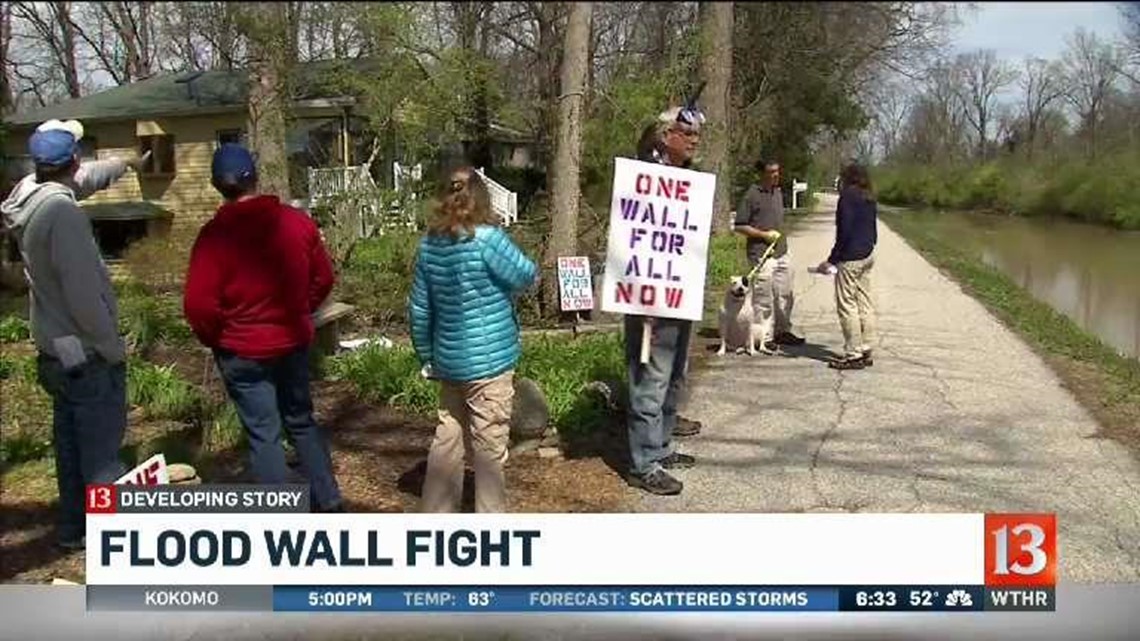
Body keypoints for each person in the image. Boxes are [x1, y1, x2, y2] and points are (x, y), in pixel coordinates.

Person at [0, 119, 144, 549]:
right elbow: (83, 295)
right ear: (74, 160)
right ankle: (112, 542)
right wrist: (111, 346)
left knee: (69, 446)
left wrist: (125, 163)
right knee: (101, 455)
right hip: (86, 351)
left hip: (55, 351)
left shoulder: (29, 195)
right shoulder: (63, 216)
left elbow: (87, 178)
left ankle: (74, 528)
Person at [183, 143, 343, 512]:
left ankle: (283, 517)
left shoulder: (214, 236)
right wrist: (301, 311)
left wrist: (216, 337)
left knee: (264, 435)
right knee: (301, 421)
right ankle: (329, 502)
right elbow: (323, 277)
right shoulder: (296, 222)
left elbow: (199, 305)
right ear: (255, 177)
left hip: (241, 350)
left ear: (216, 185)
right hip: (291, 342)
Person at [409, 166, 537, 513]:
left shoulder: (429, 245)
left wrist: (427, 357)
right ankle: (489, 520)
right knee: (488, 447)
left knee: (447, 439)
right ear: (481, 197)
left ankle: (436, 514)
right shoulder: (487, 239)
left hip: (449, 361)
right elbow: (526, 274)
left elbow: (419, 309)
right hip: (490, 364)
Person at [624, 106, 710, 497]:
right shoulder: (645, 174)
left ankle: (660, 446)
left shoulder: (686, 179)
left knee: (675, 374)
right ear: (665, 135)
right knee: (650, 378)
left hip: (680, 293)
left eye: (697, 133)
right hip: (649, 299)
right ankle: (643, 464)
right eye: (685, 132)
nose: (694, 139)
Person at [734, 158, 805, 353]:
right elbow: (739, 225)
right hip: (761, 254)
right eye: (771, 172)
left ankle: (782, 331)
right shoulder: (752, 194)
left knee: (785, 294)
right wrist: (763, 235)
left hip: (781, 251)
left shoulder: (778, 192)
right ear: (762, 174)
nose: (776, 175)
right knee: (763, 297)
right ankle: (763, 337)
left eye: (777, 171)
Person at [816, 163, 878, 370]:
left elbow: (845, 232)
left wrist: (832, 259)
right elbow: (873, 228)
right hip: (867, 253)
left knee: (847, 305)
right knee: (864, 302)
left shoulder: (848, 197)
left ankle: (853, 354)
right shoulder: (868, 196)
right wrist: (870, 244)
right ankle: (866, 347)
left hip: (851, 257)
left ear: (847, 178)